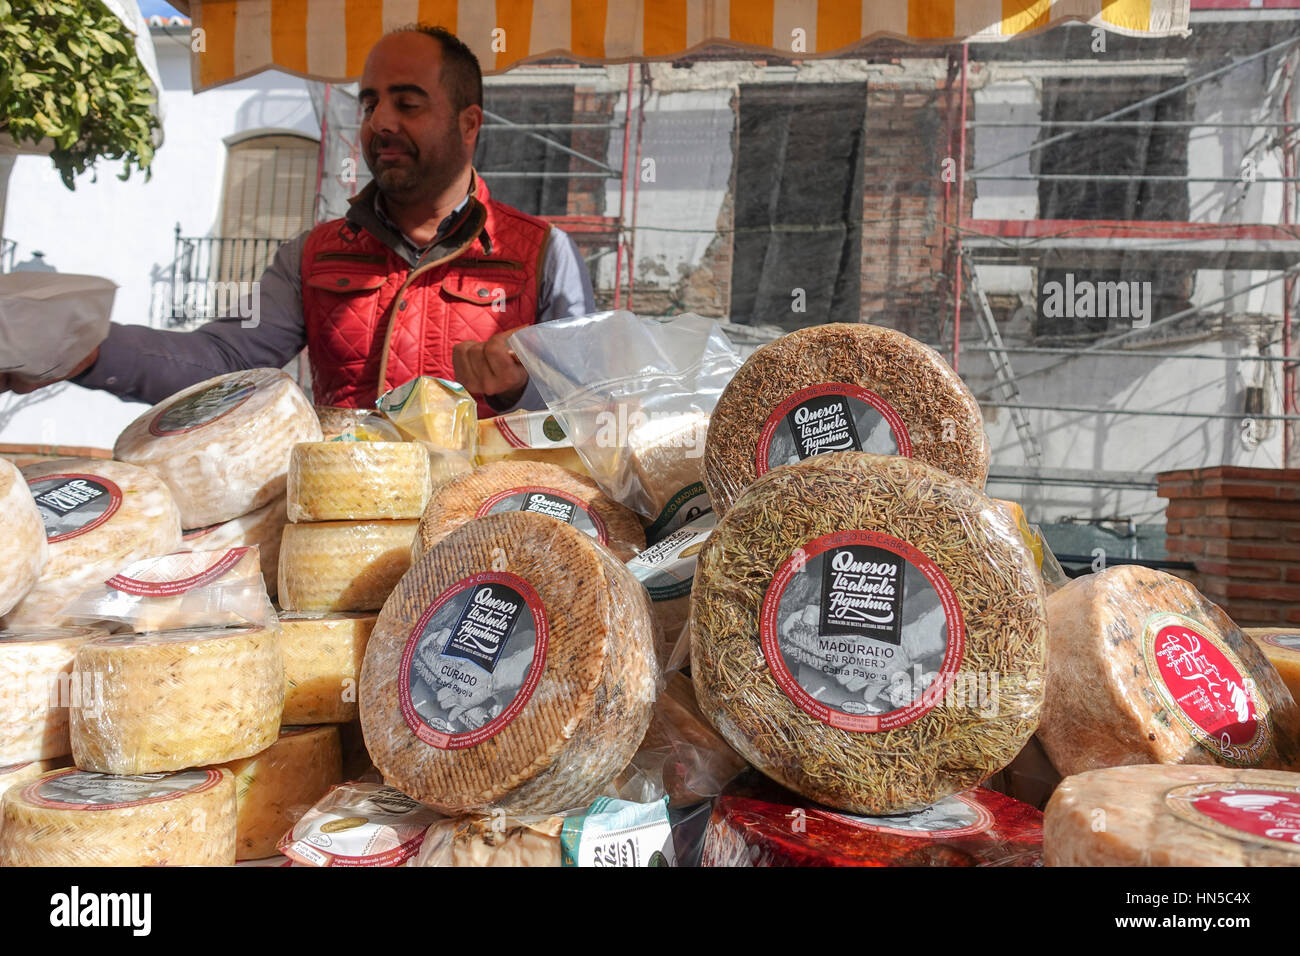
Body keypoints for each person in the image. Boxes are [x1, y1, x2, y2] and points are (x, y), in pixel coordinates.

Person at [1, 24, 594, 417]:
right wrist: (90, 352)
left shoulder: (544, 255)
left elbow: (593, 408)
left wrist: (520, 388)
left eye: (407, 103)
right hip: (338, 545)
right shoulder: (310, 256)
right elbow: (225, 364)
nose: (380, 121)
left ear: (468, 124)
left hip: (487, 552)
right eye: (369, 103)